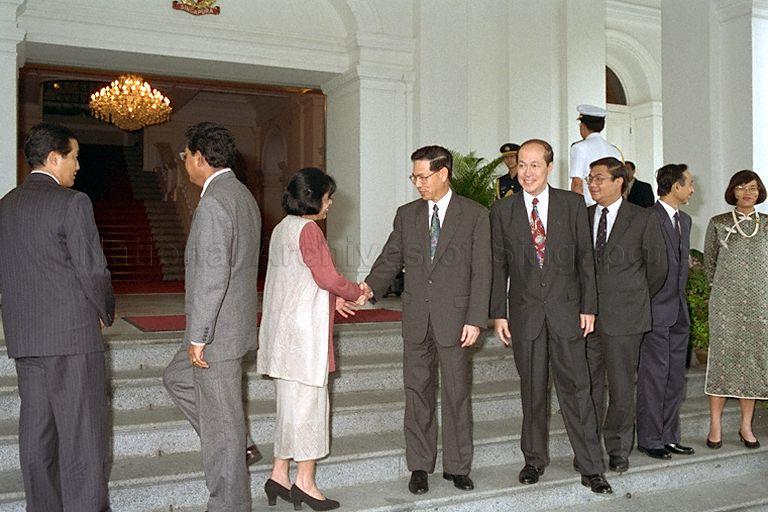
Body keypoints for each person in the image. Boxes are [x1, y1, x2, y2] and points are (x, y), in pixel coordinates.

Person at [0, 123, 115, 511]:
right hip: (71, 339)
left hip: (26, 338)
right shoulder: (72, 202)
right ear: (53, 159)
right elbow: (93, 270)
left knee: (37, 437)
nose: (78, 166)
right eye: (74, 156)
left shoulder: (6, 204)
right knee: (82, 440)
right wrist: (104, 310)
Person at [364, 145, 491, 495]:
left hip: (457, 320)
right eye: (414, 177)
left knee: (456, 395)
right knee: (416, 393)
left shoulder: (475, 214)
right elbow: (391, 257)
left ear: (443, 173)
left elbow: (483, 271)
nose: (418, 183)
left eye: (423, 176)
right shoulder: (407, 215)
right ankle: (420, 465)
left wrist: (476, 319)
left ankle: (457, 466)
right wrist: (367, 288)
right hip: (417, 319)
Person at [490, 139, 612, 494]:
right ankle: (533, 460)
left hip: (567, 314)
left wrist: (588, 306)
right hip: (525, 316)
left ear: (549, 167)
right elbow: (499, 266)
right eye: (522, 165)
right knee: (532, 392)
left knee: (578, 391)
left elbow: (585, 261)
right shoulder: (503, 211)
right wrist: (499, 313)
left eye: (534, 166)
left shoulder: (572, 204)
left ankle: (591, 466)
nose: (526, 173)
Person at [163, 122, 261, 512]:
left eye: (185, 155)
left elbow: (211, 274)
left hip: (217, 335)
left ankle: (229, 505)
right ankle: (241, 444)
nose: (184, 162)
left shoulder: (214, 202)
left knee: (222, 435)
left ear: (201, 158)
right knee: (175, 377)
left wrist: (199, 335)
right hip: (232, 325)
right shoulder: (241, 195)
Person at [257, 168, 366, 511]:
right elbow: (327, 276)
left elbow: (298, 281)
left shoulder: (280, 229)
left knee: (289, 407)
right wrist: (355, 291)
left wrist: (335, 300)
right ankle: (304, 482)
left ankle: (278, 474)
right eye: (328, 196)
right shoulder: (310, 230)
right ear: (314, 197)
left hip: (282, 333)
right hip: (304, 337)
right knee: (309, 409)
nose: (330, 203)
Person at [584, 157, 667, 474]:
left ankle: (618, 449)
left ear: (620, 181)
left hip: (626, 319)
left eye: (599, 178)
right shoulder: (583, 215)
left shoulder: (643, 219)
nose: (593, 184)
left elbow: (657, 269)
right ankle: (589, 448)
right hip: (586, 319)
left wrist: (631, 298)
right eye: (590, 178)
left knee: (620, 388)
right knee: (587, 387)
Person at [703, 170, 768, 450]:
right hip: (725, 303)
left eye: (752, 188)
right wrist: (721, 291)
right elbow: (709, 265)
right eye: (741, 187)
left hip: (760, 304)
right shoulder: (718, 223)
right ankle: (715, 425)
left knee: (752, 362)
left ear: (759, 192)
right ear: (732, 191)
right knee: (722, 361)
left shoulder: (766, 224)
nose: (747, 193)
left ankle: (745, 426)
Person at [636, 163, 696, 460]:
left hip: (678, 313)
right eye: (689, 183)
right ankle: (649, 438)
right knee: (654, 378)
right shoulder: (646, 218)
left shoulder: (684, 220)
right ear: (675, 187)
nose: (692, 189)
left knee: (675, 378)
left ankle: (669, 436)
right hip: (653, 312)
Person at [569, 104, 622, 206]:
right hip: (611, 207)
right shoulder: (615, 150)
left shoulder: (579, 147)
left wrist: (577, 212)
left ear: (583, 127)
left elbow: (577, 183)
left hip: (589, 207)